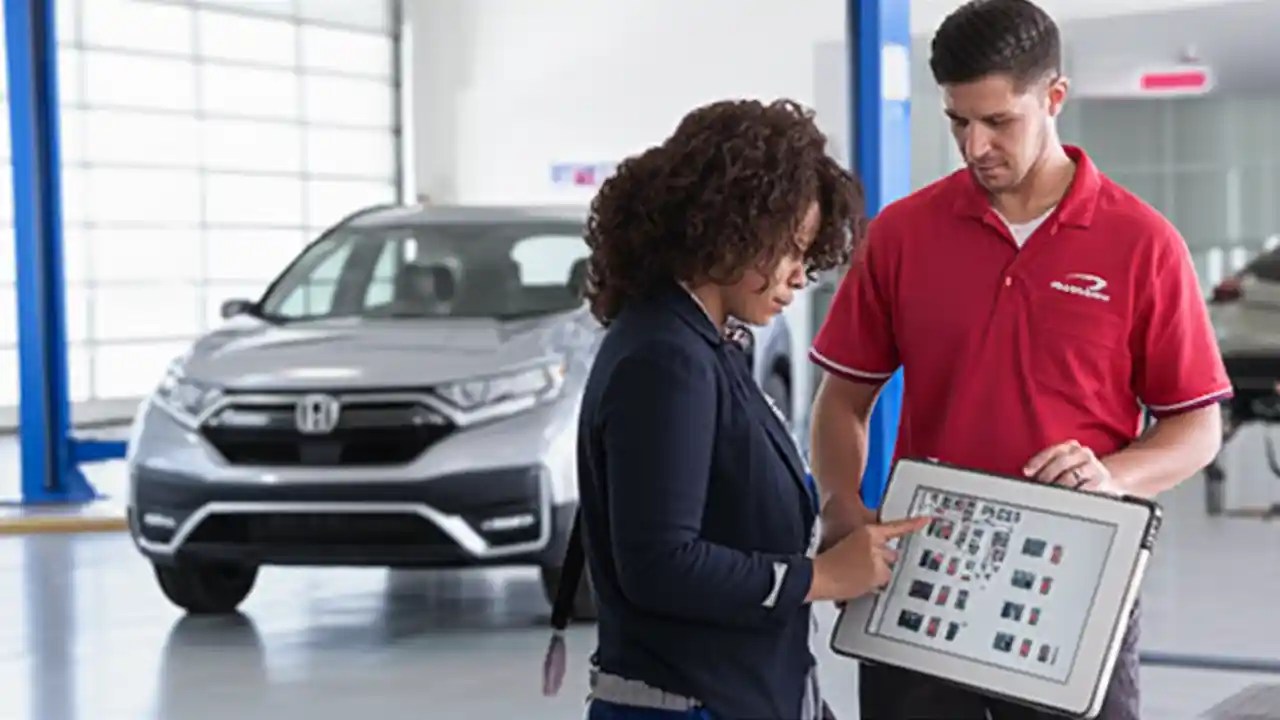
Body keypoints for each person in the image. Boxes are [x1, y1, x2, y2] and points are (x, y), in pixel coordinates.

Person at [807, 1, 1231, 719]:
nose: (975, 147)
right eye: (957, 122)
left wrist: (1113, 473)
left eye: (998, 122)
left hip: (1075, 589)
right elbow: (843, 398)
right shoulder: (903, 236)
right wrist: (843, 502)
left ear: (1053, 98)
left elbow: (1196, 427)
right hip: (924, 584)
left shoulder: (1142, 244)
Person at [573, 98, 930, 719]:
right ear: (728, 225)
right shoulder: (666, 358)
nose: (799, 277)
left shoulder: (706, 344)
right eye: (789, 249)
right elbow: (661, 564)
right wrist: (820, 577)